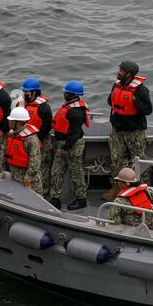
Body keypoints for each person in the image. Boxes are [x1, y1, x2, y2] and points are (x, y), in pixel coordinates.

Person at [49, 80, 91, 209]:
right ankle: (55, 199)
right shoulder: (70, 106)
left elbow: (75, 132)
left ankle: (81, 199)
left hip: (72, 145)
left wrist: (66, 148)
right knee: (56, 172)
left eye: (66, 93)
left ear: (72, 95)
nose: (64, 95)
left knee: (76, 172)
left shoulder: (76, 112)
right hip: (63, 143)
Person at [108, 59, 152, 177]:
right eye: (120, 69)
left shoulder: (141, 90)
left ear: (129, 74)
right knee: (116, 160)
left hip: (134, 132)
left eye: (122, 71)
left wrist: (134, 100)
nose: (119, 72)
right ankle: (116, 187)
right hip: (117, 129)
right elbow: (109, 101)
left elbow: (148, 110)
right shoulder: (116, 85)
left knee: (137, 161)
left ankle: (141, 188)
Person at [0, 107, 44, 193]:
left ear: (18, 123)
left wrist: (28, 178)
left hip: (29, 180)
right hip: (15, 175)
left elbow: (35, 162)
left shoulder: (31, 139)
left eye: (11, 121)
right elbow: (3, 149)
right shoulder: (12, 134)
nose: (8, 122)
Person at [21, 76, 53, 187]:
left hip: (41, 139)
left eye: (27, 92)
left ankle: (43, 191)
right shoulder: (21, 104)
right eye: (23, 91)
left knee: (41, 167)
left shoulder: (43, 107)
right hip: (25, 140)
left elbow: (47, 124)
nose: (25, 94)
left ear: (34, 92)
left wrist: (39, 139)